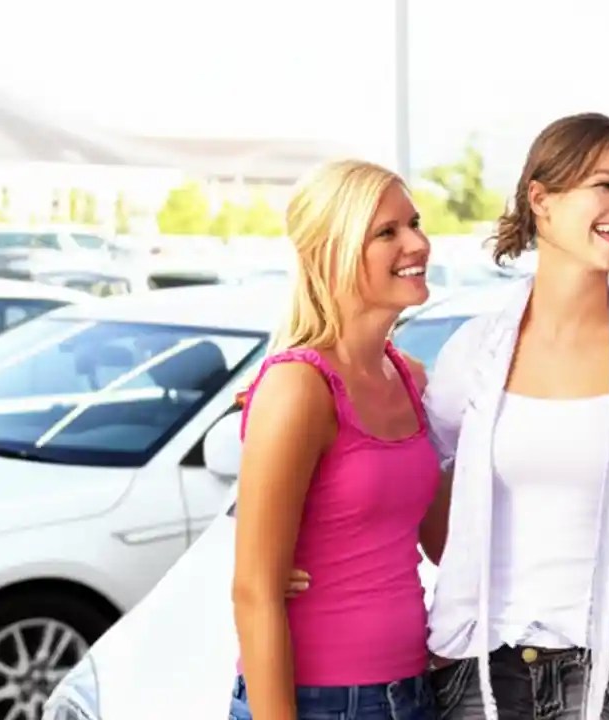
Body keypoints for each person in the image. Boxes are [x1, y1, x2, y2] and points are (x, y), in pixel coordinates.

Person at [422, 112, 609, 720]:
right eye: (606, 185)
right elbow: (413, 486)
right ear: (541, 199)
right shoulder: (472, 351)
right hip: (474, 664)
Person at [230, 158, 448, 720]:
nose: (418, 242)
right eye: (387, 232)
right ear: (330, 253)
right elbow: (254, 592)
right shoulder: (299, 387)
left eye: (415, 223)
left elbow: (442, 543)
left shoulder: (412, 378)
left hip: (413, 690)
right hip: (318, 701)